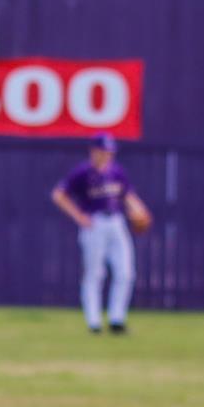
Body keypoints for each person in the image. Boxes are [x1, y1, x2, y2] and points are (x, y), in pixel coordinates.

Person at [49, 132, 149, 334]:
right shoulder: (82, 173)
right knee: (95, 273)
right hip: (95, 223)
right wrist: (78, 216)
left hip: (116, 221)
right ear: (93, 151)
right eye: (103, 151)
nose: (106, 155)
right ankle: (93, 322)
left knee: (125, 271)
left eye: (109, 151)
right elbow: (58, 195)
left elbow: (127, 195)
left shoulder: (116, 172)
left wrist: (140, 210)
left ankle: (116, 320)